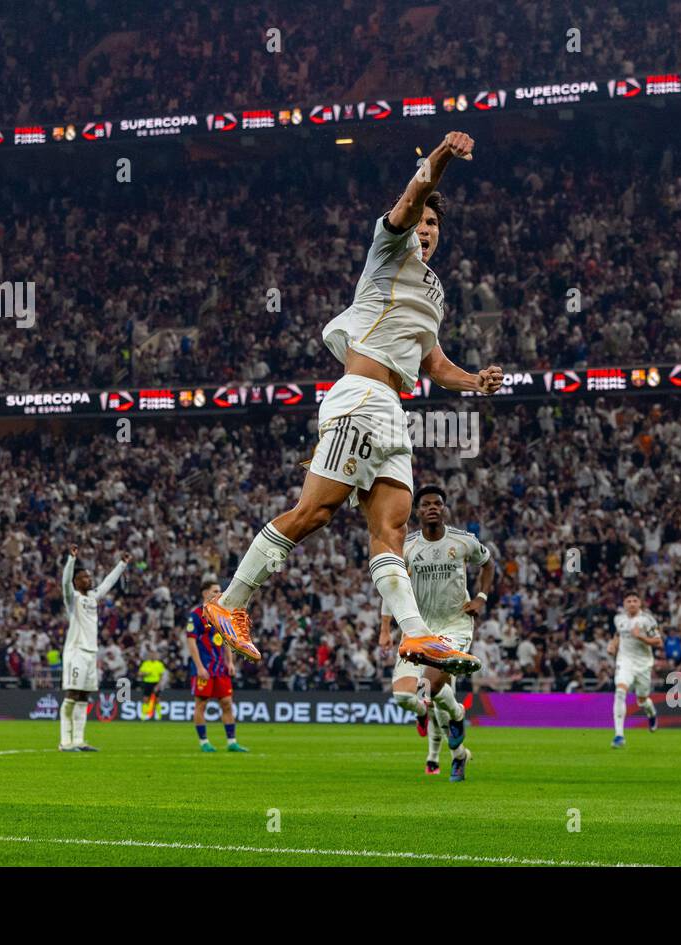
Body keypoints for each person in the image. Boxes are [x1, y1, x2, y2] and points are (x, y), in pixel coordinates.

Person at [206, 131, 502, 680]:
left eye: (436, 225)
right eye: (423, 220)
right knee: (314, 512)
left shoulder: (434, 291)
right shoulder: (386, 250)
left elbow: (433, 363)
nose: (428, 228)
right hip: (360, 396)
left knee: (391, 531)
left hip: (393, 412)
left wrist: (474, 382)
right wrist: (438, 156)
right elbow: (413, 196)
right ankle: (230, 601)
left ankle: (417, 635)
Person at [379, 486, 493, 780]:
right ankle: (458, 736)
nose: (432, 508)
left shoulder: (463, 541)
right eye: (426, 504)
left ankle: (446, 737)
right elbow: (392, 587)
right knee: (405, 697)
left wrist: (481, 597)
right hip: (417, 629)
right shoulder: (407, 546)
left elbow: (488, 563)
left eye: (437, 503)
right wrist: (384, 628)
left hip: (454, 627)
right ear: (416, 511)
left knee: (427, 688)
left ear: (444, 509)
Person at [60, 545, 129, 752]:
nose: (89, 580)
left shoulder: (92, 597)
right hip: (76, 652)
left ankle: (79, 741)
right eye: (84, 578)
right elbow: (64, 582)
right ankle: (65, 742)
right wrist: (71, 561)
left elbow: (108, 582)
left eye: (89, 577)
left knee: (84, 697)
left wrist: (122, 564)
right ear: (76, 581)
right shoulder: (73, 598)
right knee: (72, 695)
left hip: (91, 654)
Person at [186, 582, 247, 752]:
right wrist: (199, 667)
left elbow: (227, 640)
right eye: (215, 591)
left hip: (220, 668)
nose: (219, 593)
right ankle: (204, 742)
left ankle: (231, 742)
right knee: (201, 704)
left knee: (227, 703)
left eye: (220, 590)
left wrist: (230, 662)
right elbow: (191, 642)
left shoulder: (222, 614)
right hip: (204, 668)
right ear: (205, 593)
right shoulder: (196, 615)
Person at [607, 593, 662, 747]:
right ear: (624, 604)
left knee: (642, 700)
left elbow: (658, 641)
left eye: (635, 601)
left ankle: (651, 713)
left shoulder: (647, 620)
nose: (632, 604)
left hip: (643, 664)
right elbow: (618, 635)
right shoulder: (619, 619)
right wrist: (613, 645)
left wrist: (641, 637)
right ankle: (619, 736)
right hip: (624, 662)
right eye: (628, 601)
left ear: (640, 604)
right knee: (620, 692)